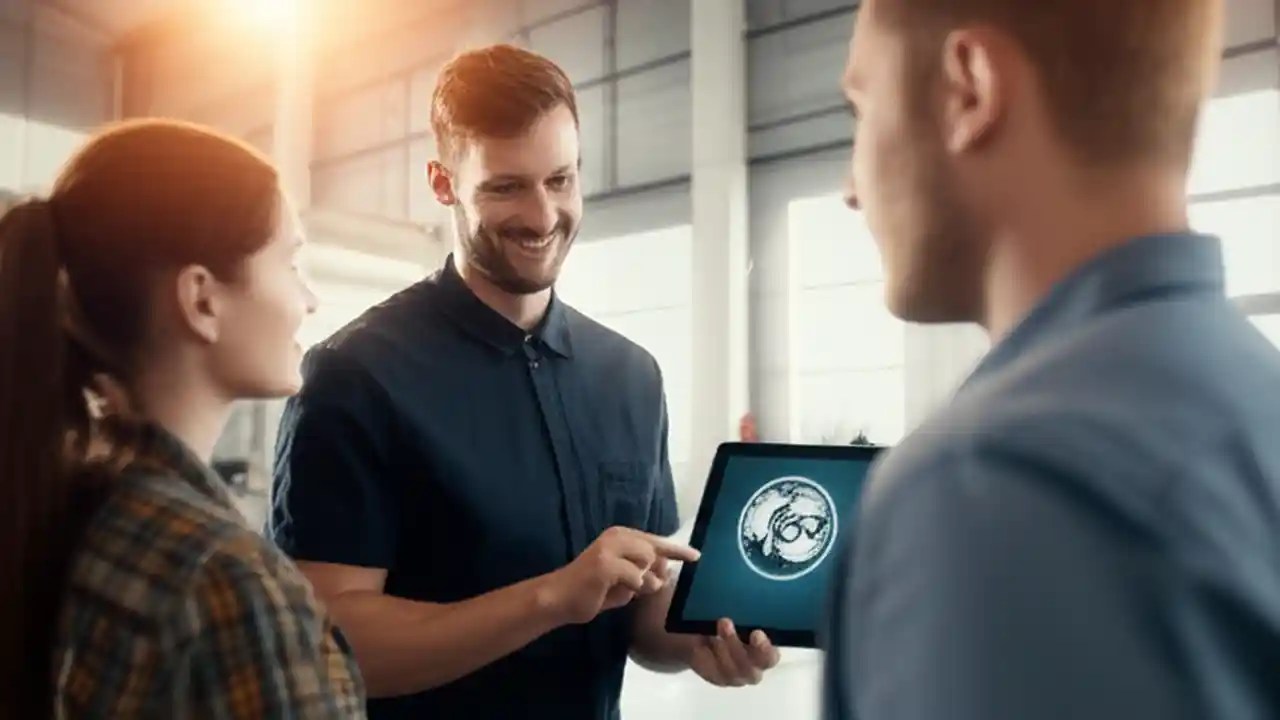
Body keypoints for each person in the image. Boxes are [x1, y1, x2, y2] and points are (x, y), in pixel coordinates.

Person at [268, 44, 779, 719]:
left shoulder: (631, 377)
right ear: (443, 181)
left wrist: (699, 643)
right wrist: (550, 598)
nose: (543, 216)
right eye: (506, 187)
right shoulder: (354, 379)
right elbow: (325, 645)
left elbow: (638, 617)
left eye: (561, 180)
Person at [824, 0, 1280, 717]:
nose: (851, 188)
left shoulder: (992, 483)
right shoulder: (1254, 398)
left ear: (968, 88)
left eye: (860, 106)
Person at [0, 120, 366, 719]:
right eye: (290, 262)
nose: (310, 299)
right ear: (201, 300)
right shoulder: (229, 583)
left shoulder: (74, 510)